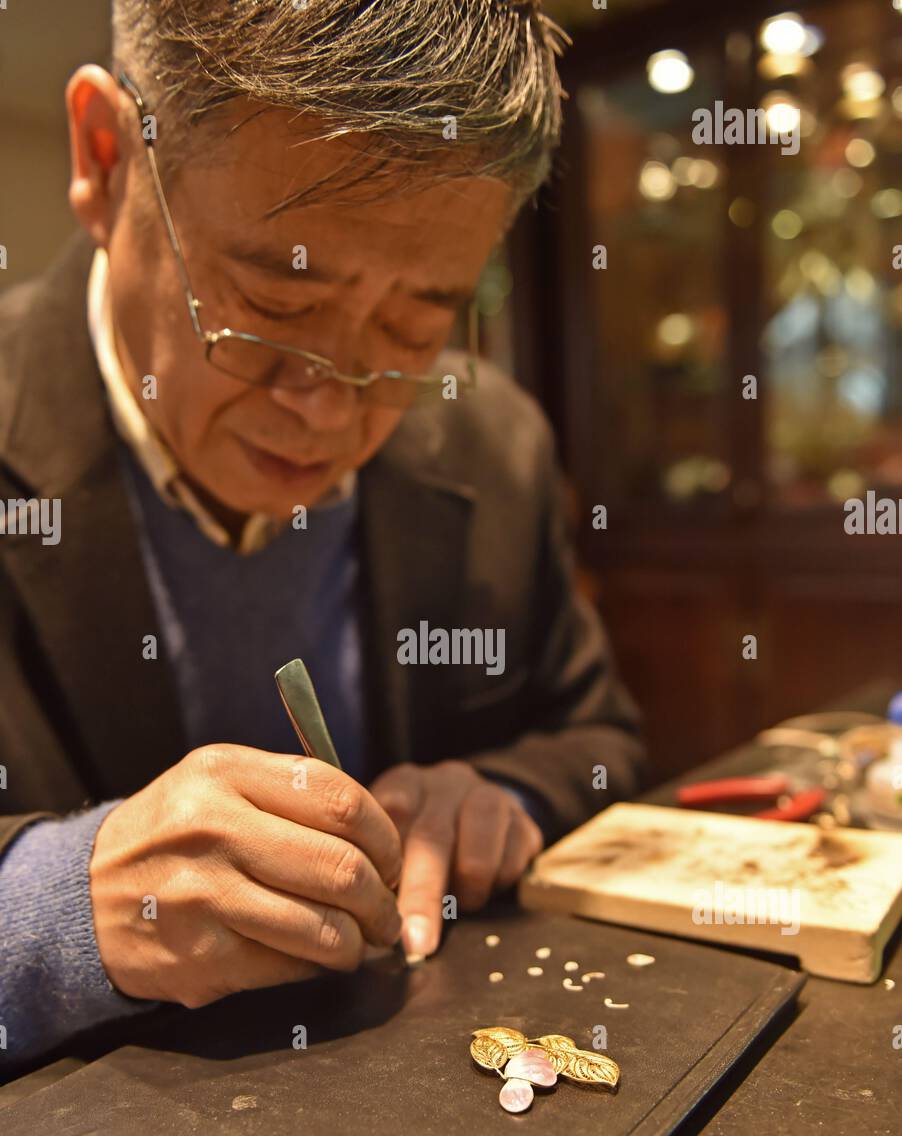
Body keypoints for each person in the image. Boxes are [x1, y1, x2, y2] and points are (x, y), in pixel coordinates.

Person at [0, 0, 644, 1075]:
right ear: (108, 158)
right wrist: (65, 902)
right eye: (274, 306)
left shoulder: (489, 442)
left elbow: (601, 740)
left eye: (414, 324)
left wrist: (503, 795)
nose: (334, 408)